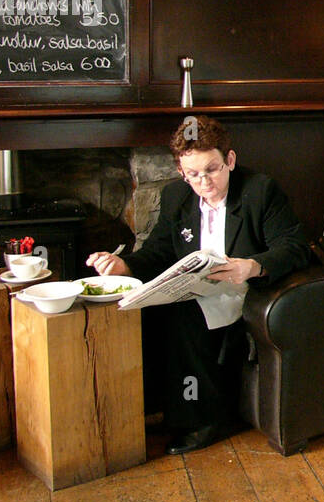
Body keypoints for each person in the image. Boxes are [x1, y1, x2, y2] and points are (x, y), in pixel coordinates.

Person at [87, 116, 310, 454]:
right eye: (193, 174)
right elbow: (160, 250)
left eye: (212, 170)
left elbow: (294, 246)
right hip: (197, 286)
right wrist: (125, 265)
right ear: (181, 171)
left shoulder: (259, 190)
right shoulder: (176, 196)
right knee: (142, 309)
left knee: (183, 317)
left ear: (230, 160)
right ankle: (168, 409)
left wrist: (252, 266)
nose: (203, 182)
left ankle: (204, 422)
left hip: (246, 286)